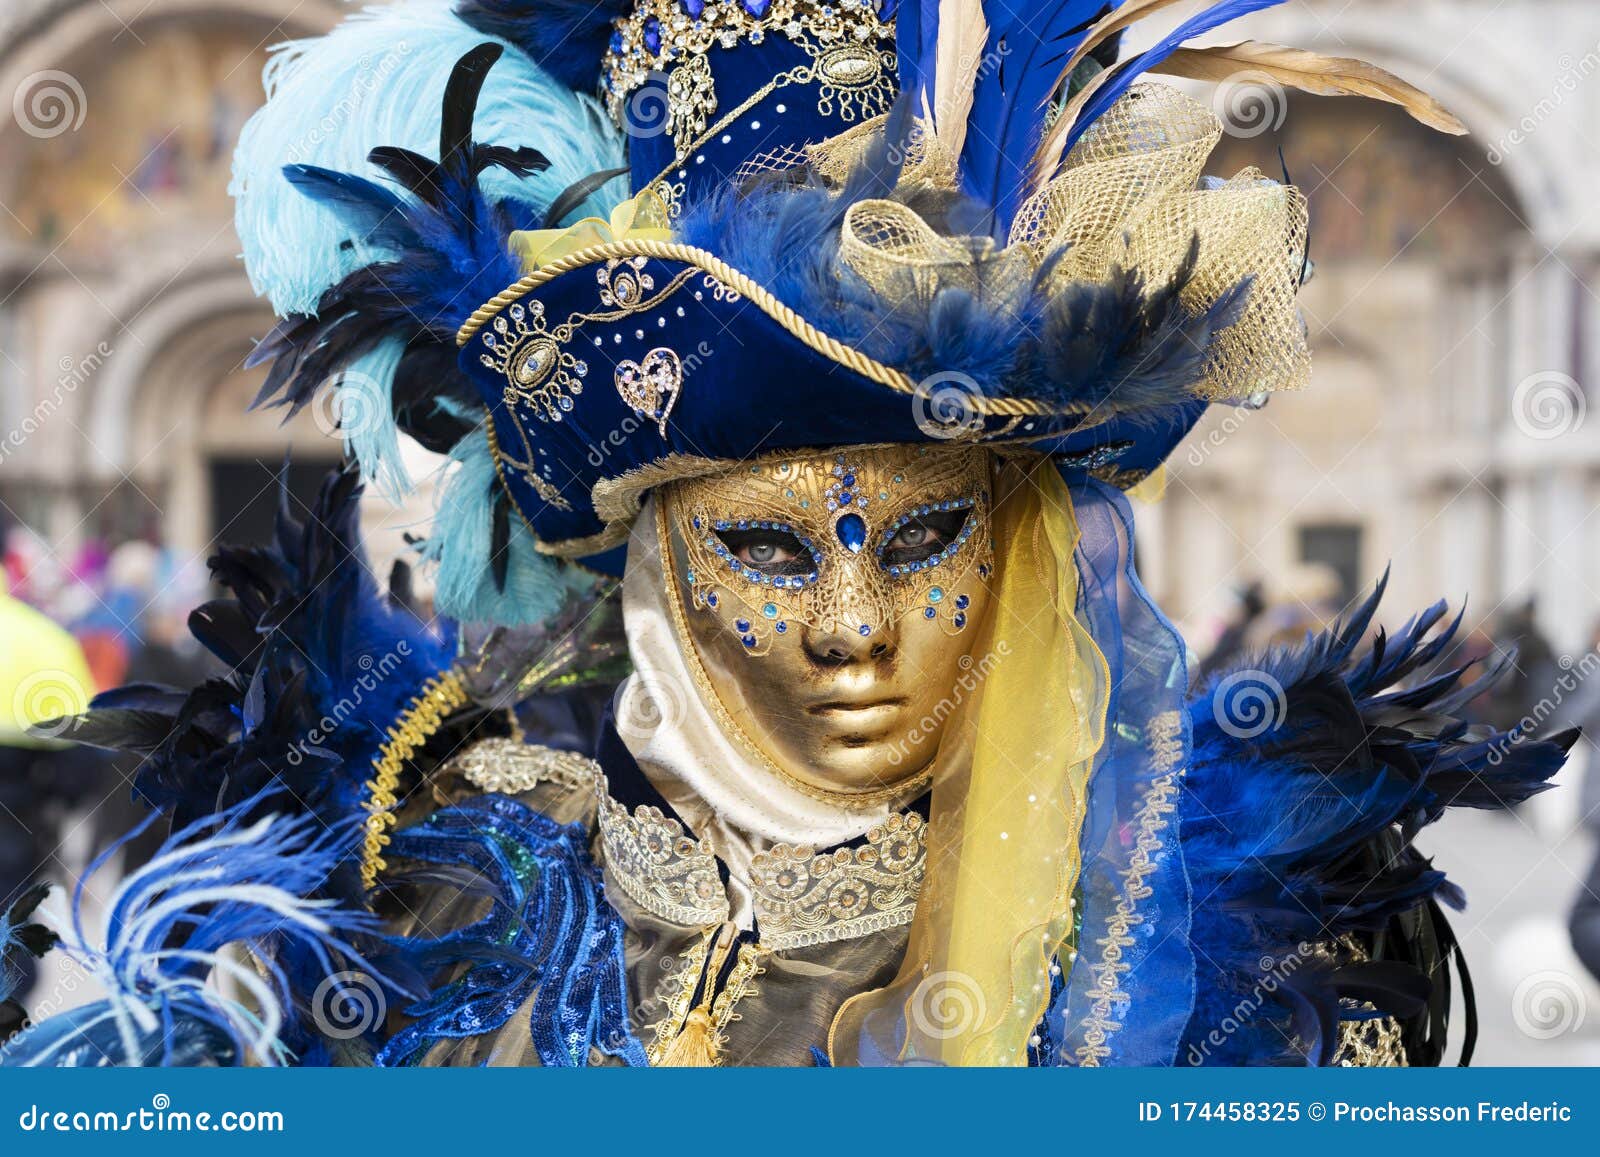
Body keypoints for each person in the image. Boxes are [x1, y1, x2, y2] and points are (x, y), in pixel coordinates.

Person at [2, 0, 1572, 1068]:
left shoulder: (1228, 934)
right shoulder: (422, 871)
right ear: (655, 562)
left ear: (1023, 543)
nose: (851, 625)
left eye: (924, 539)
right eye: (763, 546)